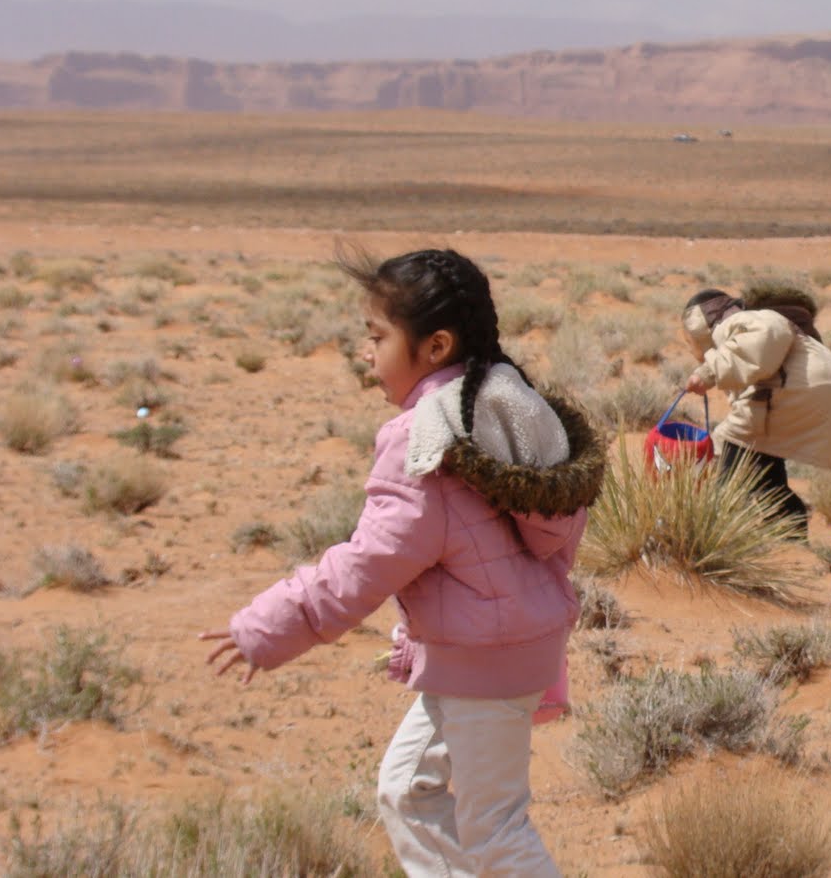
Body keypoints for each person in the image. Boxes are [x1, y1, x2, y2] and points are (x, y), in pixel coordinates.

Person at [200, 247, 604, 877]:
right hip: (488, 648)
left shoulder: (428, 439)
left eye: (377, 336)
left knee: (495, 830)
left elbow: (371, 561)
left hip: (486, 659)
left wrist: (267, 625)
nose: (366, 352)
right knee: (405, 791)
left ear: (436, 345)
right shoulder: (500, 403)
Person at [681, 284, 831, 532]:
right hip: (826, 385)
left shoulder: (735, 322)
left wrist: (708, 372)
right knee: (762, 460)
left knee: (733, 447)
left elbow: (770, 332)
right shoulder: (745, 326)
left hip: (800, 387)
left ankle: (713, 530)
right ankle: (789, 525)